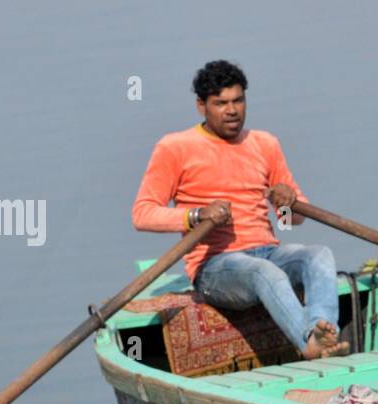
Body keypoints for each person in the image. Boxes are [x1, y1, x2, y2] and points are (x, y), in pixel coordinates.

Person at [132, 60, 347, 359]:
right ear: (201, 106)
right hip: (215, 268)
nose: (232, 111)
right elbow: (142, 214)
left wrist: (286, 204)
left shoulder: (265, 143)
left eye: (238, 101)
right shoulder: (174, 147)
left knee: (318, 255)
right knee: (263, 272)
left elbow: (290, 221)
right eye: (220, 103)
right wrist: (196, 215)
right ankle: (308, 343)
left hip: (267, 250)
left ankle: (323, 330)